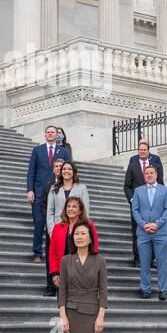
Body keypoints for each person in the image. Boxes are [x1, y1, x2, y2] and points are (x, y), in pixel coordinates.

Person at [27, 126, 71, 262]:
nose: (50, 133)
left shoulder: (63, 151)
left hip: (58, 193)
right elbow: (31, 171)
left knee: (57, 225)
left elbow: (68, 170)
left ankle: (56, 253)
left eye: (53, 132)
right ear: (45, 134)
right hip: (39, 192)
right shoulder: (37, 150)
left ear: (57, 135)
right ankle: (37, 253)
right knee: (39, 223)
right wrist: (30, 190)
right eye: (48, 132)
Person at [132, 163, 167, 301]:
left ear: (156, 175)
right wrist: (143, 225)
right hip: (143, 232)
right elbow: (134, 210)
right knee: (144, 262)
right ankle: (145, 288)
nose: (149, 175)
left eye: (151, 173)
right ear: (144, 175)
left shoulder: (166, 190)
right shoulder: (138, 191)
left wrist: (157, 224)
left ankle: (163, 290)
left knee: (161, 262)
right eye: (146, 173)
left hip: (160, 232)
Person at [48, 195, 99, 296]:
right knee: (62, 303)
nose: (70, 209)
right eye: (68, 206)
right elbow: (52, 252)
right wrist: (54, 272)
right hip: (63, 272)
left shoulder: (88, 226)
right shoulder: (58, 227)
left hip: (82, 272)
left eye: (74, 206)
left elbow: (94, 248)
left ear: (80, 211)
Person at [122, 140, 163, 265]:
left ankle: (151, 259)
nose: (142, 151)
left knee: (152, 231)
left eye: (145, 149)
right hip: (137, 205)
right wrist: (132, 199)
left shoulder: (154, 166)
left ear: (148, 151)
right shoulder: (132, 165)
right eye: (140, 149)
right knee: (137, 231)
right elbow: (127, 186)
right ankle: (138, 258)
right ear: (138, 151)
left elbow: (160, 182)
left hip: (152, 204)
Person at [46, 160, 91, 234]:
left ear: (74, 172)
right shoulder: (53, 188)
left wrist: (83, 230)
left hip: (76, 228)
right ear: (61, 172)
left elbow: (85, 211)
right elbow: (50, 212)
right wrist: (52, 232)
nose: (66, 171)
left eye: (69, 169)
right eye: (64, 169)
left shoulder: (82, 188)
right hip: (58, 228)